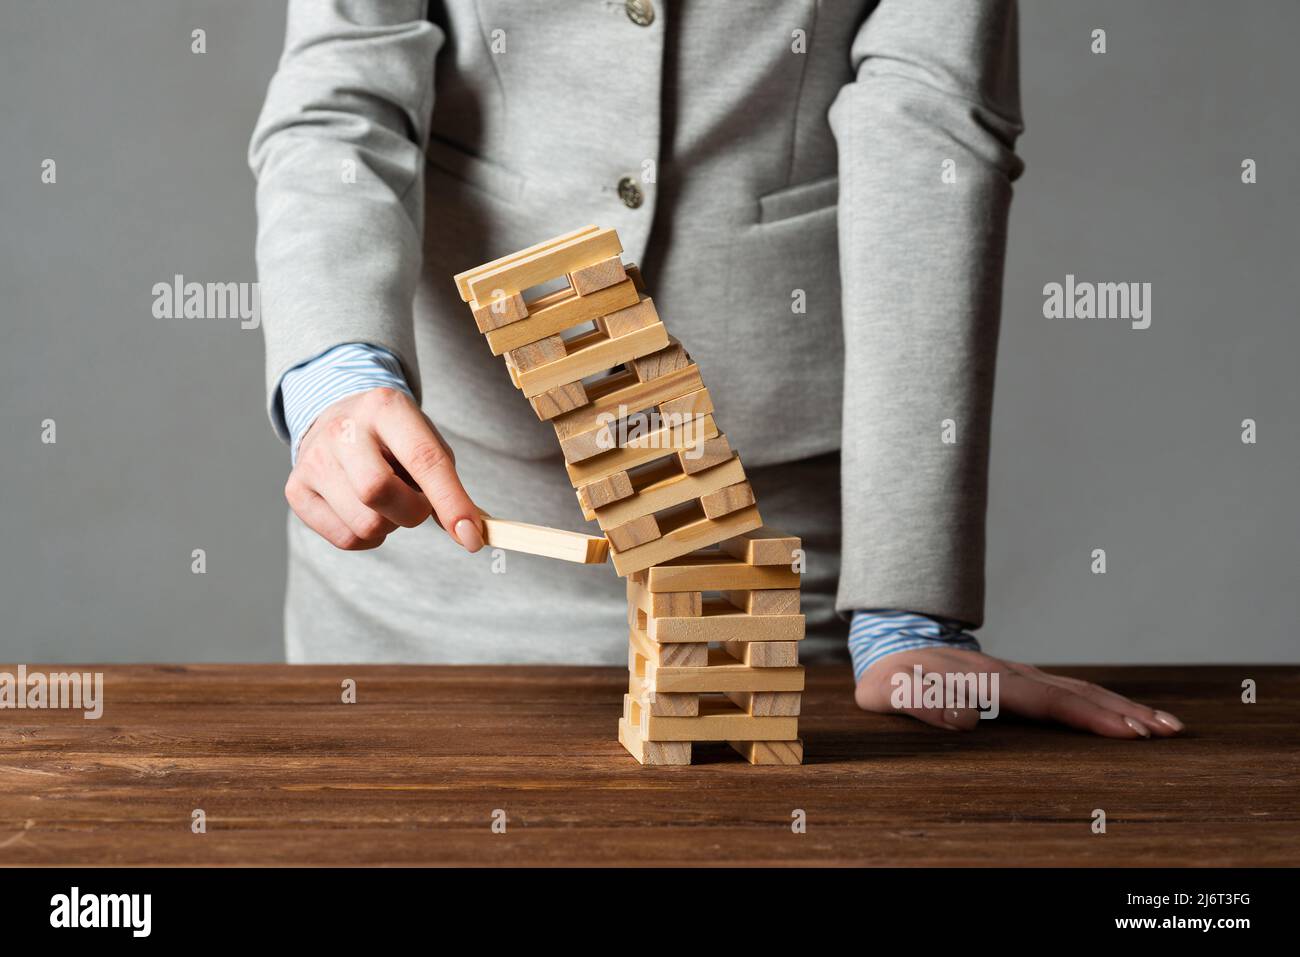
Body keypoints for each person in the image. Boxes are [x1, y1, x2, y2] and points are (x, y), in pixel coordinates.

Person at [248, 0, 1183, 738]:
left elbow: (932, 121)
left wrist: (908, 611)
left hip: (775, 551)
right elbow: (344, 91)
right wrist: (336, 378)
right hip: (442, 540)